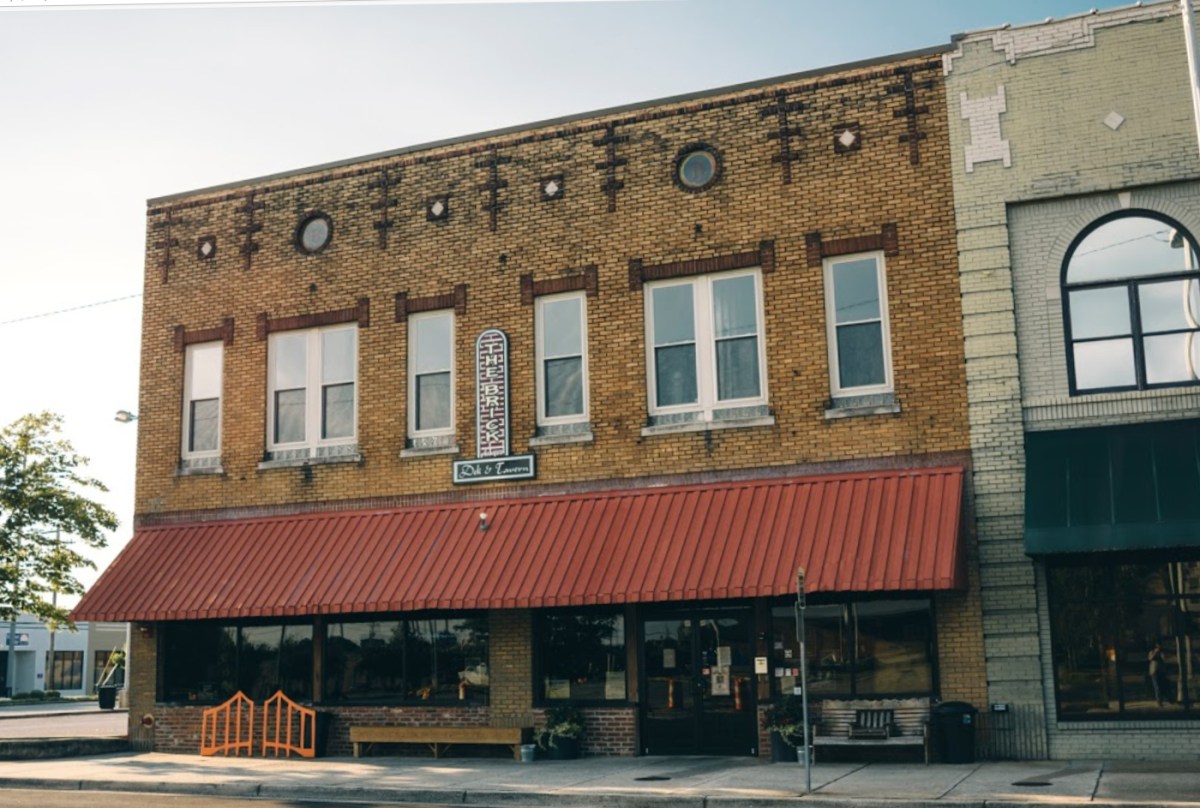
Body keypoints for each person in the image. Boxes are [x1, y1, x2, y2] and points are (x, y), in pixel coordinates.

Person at [1148, 641, 1168, 706]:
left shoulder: (1162, 653)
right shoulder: (1151, 652)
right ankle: (1159, 701)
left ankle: (1162, 699)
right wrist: (1155, 652)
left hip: (1161, 671)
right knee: (1157, 686)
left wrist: (1162, 654)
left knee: (1162, 686)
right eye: (1157, 646)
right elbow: (1150, 658)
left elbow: (1165, 659)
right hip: (1154, 671)